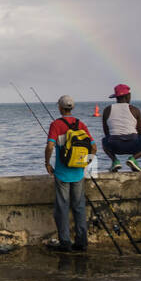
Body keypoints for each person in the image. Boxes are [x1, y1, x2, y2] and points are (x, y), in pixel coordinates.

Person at [44, 95, 96, 252]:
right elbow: (94, 148)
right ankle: (82, 242)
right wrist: (86, 163)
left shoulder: (56, 125)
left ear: (60, 108)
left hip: (62, 173)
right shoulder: (81, 125)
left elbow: (50, 146)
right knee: (79, 207)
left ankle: (65, 242)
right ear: (72, 108)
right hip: (78, 173)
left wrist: (47, 163)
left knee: (62, 207)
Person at [102, 84, 141, 172]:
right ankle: (133, 159)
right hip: (133, 144)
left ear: (116, 97)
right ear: (128, 96)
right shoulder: (135, 110)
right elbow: (140, 132)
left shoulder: (107, 110)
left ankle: (115, 161)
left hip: (114, 145)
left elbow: (106, 132)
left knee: (104, 140)